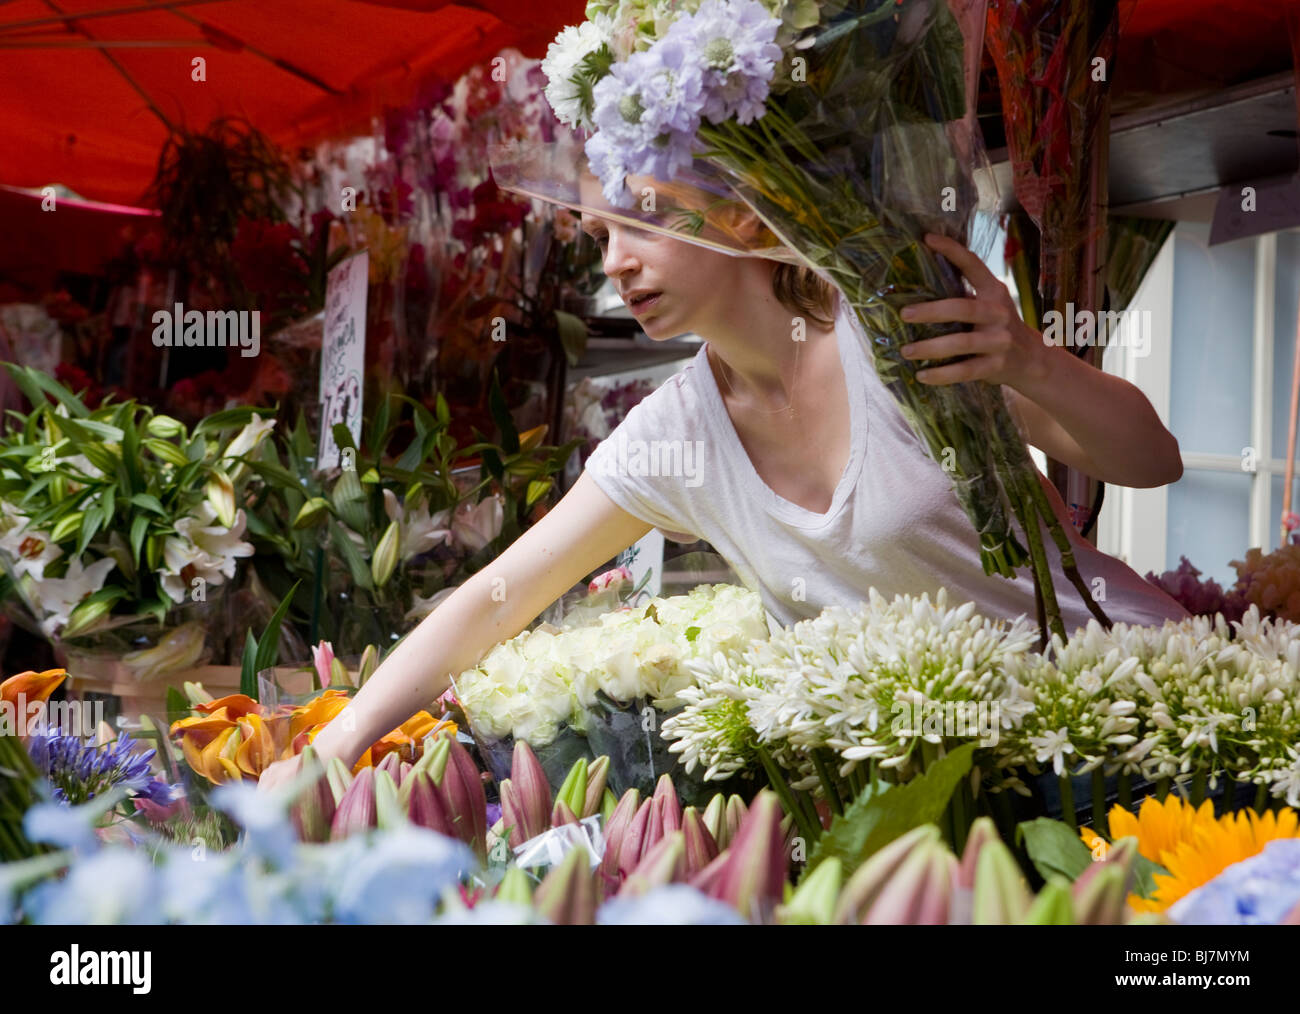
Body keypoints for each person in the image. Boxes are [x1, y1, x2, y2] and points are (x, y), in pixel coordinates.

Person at [258, 191, 1188, 792]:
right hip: (963, 780)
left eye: (642, 218)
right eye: (602, 234)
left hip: (1143, 727)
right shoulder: (674, 435)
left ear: (745, 215)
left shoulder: (890, 335)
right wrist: (341, 743)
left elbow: (1151, 459)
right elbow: (496, 597)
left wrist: (1032, 360)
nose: (615, 261)